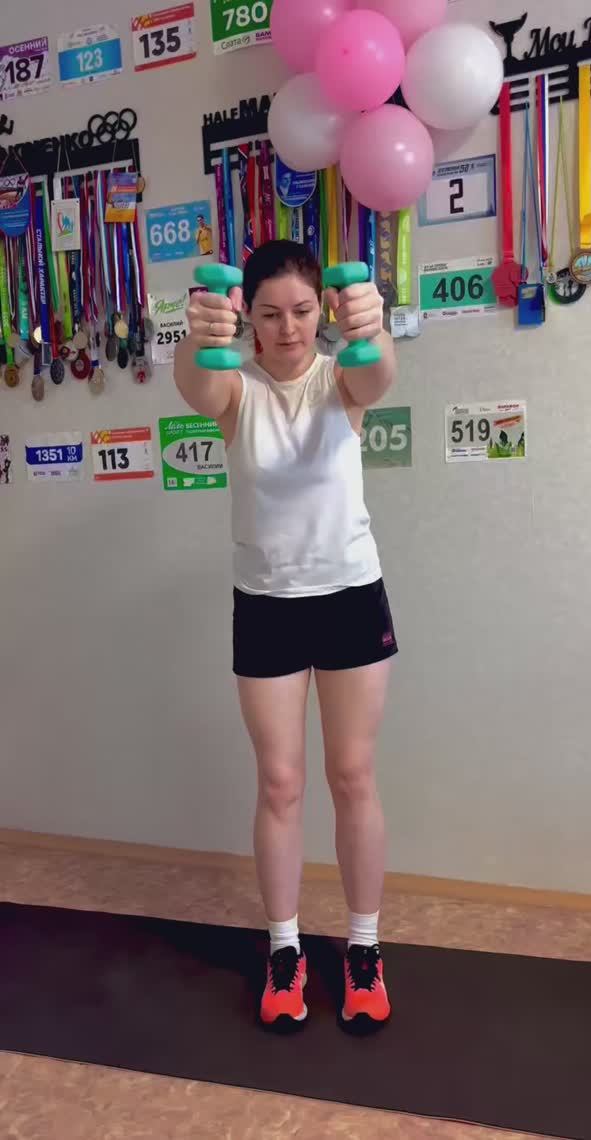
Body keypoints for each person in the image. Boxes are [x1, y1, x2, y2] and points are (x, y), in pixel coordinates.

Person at [174, 240, 398, 1032]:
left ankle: (364, 949)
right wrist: (197, 336)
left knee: (353, 776)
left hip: (349, 595)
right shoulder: (236, 390)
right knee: (279, 785)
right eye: (268, 314)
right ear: (249, 320)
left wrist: (372, 326)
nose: (288, 327)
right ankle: (285, 950)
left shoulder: (344, 379)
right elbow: (194, 381)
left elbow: (379, 375)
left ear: (323, 309)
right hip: (267, 603)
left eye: (302, 310)